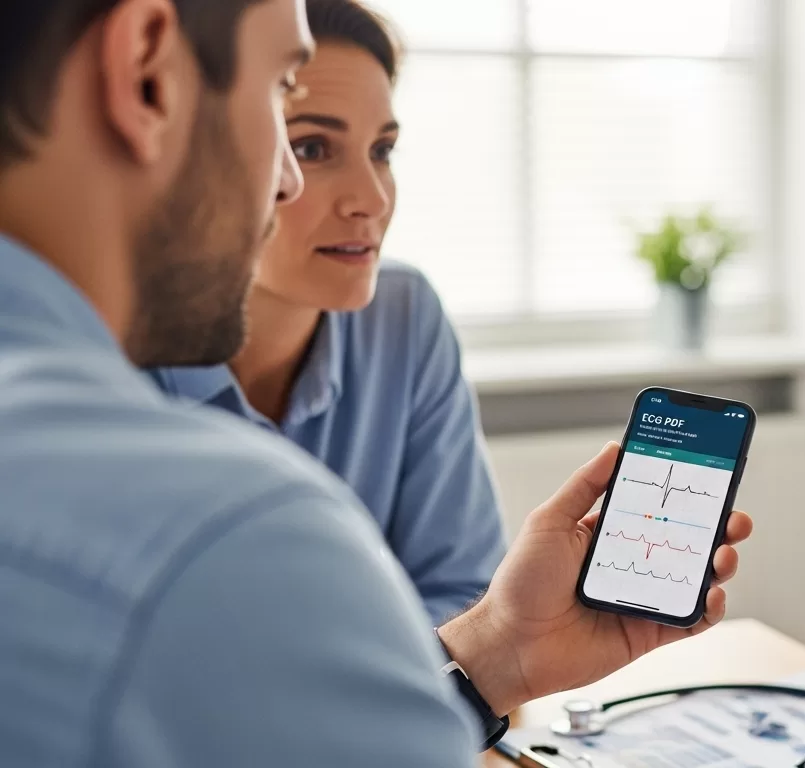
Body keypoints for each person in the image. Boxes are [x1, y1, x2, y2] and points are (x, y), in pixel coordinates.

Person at [0, 1, 752, 766]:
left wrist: (496, 651)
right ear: (146, 70)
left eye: (385, 149)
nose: (297, 182)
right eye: (284, 105)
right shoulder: (234, 529)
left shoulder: (396, 322)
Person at [147, 0, 504, 625]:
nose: (371, 199)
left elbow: (471, 599)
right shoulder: (115, 351)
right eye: (313, 148)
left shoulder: (404, 317)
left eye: (383, 150)